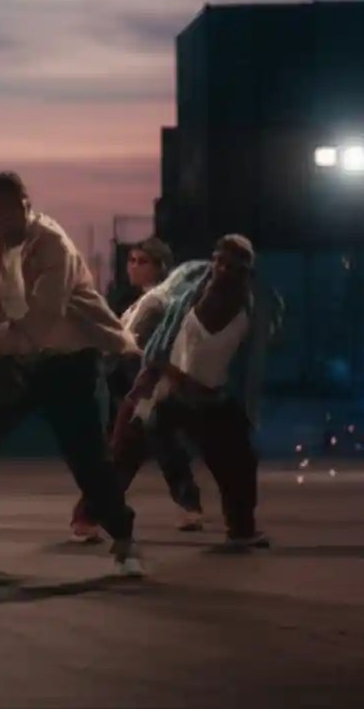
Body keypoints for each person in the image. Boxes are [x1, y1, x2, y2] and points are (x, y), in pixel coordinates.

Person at [0, 171, 146, 581]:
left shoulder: (54, 245)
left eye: (9, 206)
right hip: (15, 358)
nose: (2, 216)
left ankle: (125, 540)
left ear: (26, 205)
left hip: (67, 360)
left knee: (87, 458)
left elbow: (42, 315)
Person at [105, 234, 283, 550]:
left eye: (234, 266)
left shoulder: (251, 310)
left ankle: (241, 529)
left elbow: (250, 365)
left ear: (246, 273)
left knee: (239, 461)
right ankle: (91, 516)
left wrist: (237, 407)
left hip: (210, 397)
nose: (224, 270)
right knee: (123, 454)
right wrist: (146, 364)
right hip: (163, 387)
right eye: (220, 262)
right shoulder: (187, 293)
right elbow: (158, 328)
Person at [70, 237, 204, 542]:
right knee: (157, 445)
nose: (133, 267)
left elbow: (136, 343)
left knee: (124, 451)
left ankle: (88, 515)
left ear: (161, 266)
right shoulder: (140, 301)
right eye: (131, 261)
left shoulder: (160, 302)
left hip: (149, 386)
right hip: (140, 386)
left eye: (142, 262)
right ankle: (189, 504)